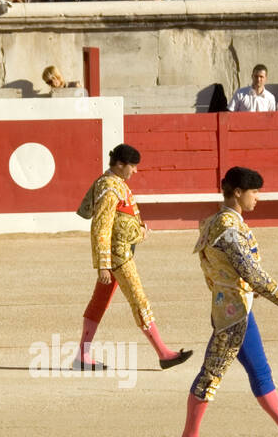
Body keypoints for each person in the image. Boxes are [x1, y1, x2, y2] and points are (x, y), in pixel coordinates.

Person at [178, 166, 278, 437]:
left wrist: (232, 284)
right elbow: (254, 275)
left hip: (233, 307)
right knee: (212, 372)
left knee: (258, 370)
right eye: (254, 192)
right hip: (232, 314)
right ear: (237, 193)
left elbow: (215, 267)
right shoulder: (229, 229)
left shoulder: (215, 222)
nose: (258, 198)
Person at [75, 144, 192, 373]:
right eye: (133, 166)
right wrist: (103, 265)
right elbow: (101, 228)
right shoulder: (110, 189)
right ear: (120, 165)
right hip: (118, 256)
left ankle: (82, 354)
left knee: (99, 303)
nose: (135, 171)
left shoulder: (113, 183)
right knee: (139, 300)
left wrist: (138, 231)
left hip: (118, 253)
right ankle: (163, 353)